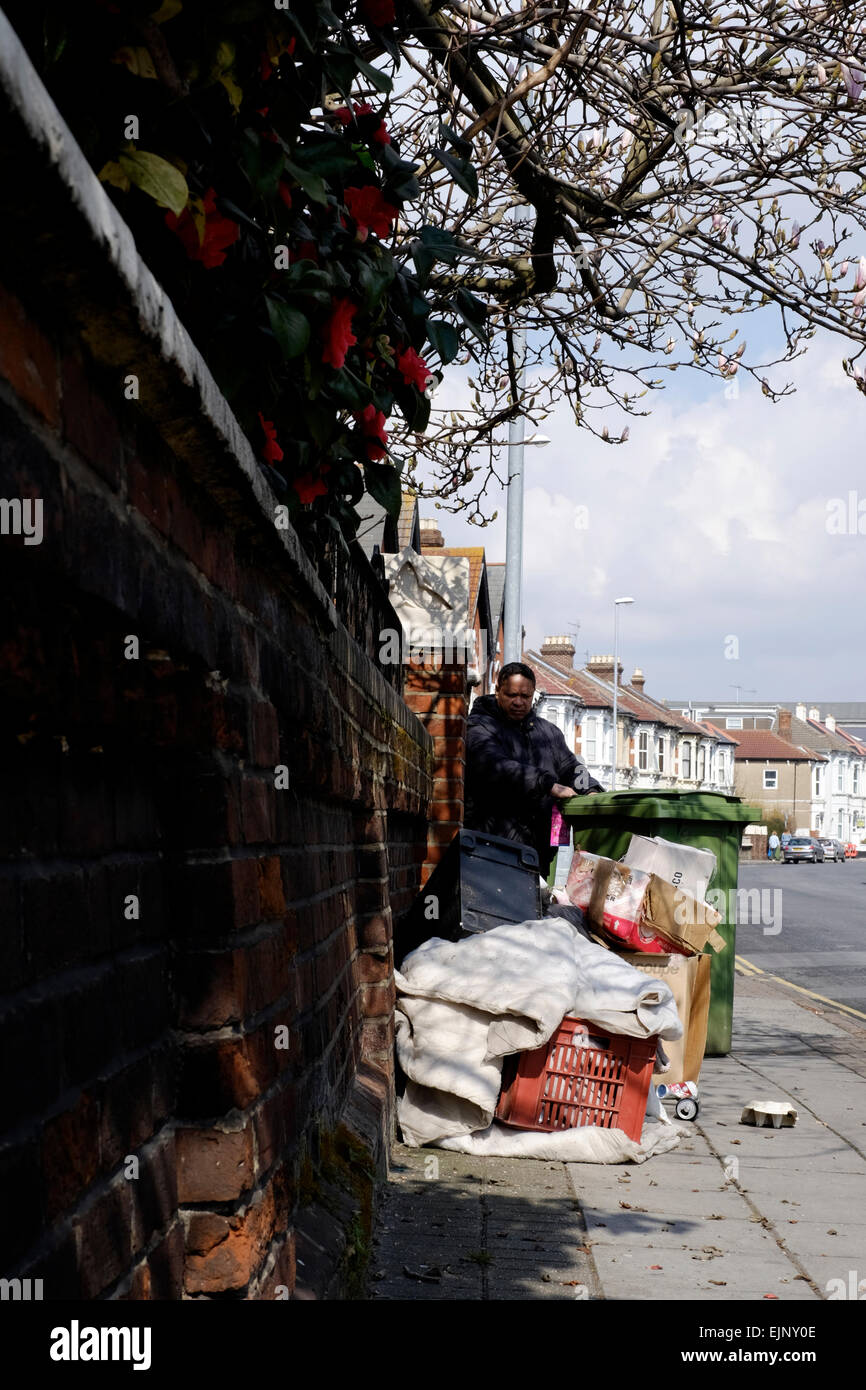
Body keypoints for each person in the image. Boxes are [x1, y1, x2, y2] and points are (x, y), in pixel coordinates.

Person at [464, 661, 604, 877]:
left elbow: (570, 766)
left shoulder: (548, 733)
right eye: (511, 695)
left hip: (537, 854)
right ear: (497, 691)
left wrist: (591, 791)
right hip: (492, 850)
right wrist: (547, 784)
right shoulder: (479, 727)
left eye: (526, 696)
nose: (519, 702)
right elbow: (495, 765)